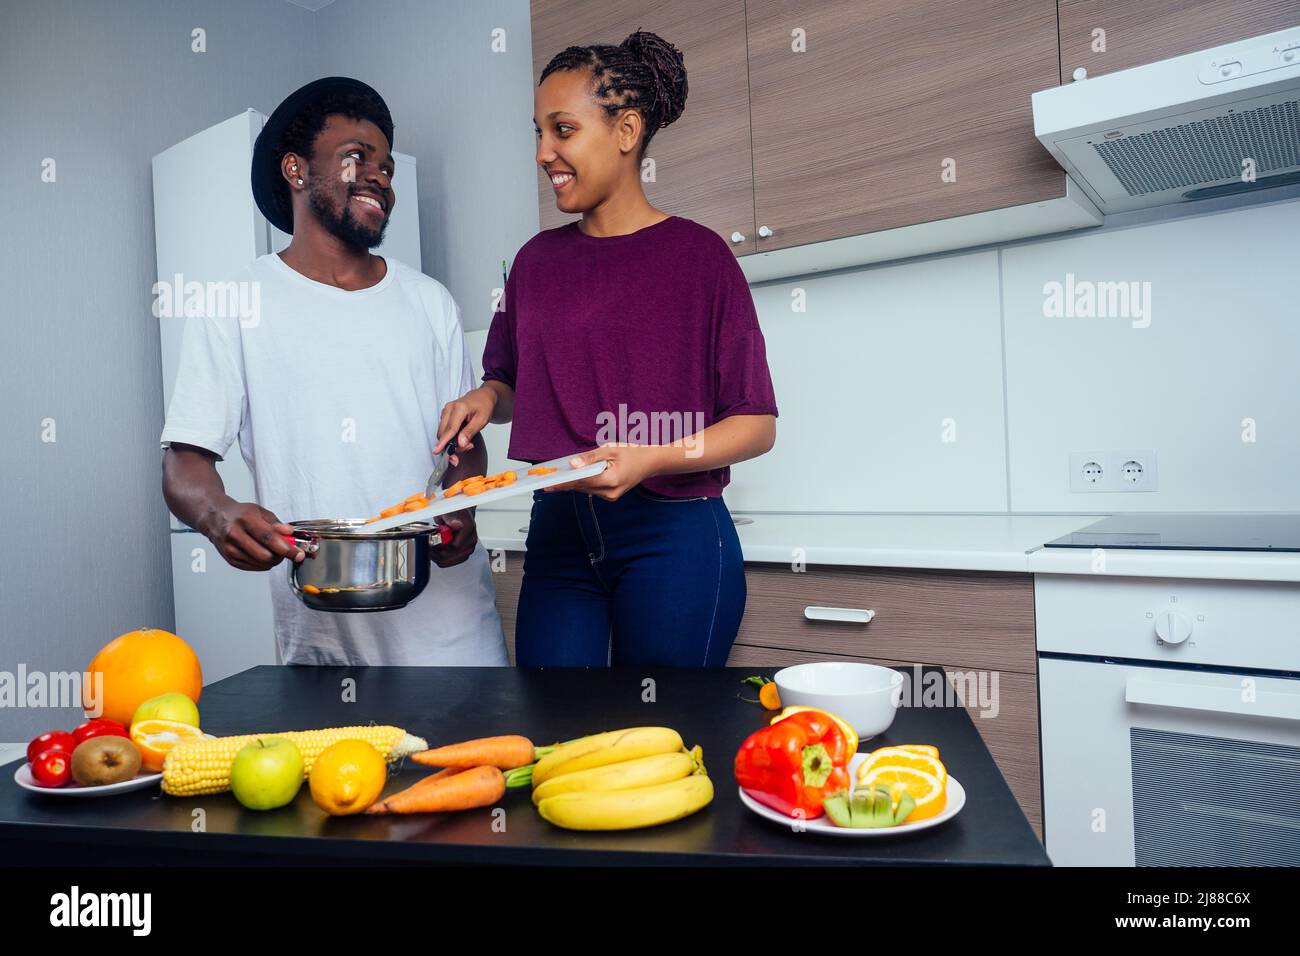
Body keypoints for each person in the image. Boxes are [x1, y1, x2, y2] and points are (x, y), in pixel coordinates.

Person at [436, 33, 778, 667]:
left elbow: (756, 426)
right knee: (558, 739)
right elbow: (509, 381)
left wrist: (650, 458)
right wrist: (485, 397)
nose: (543, 153)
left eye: (562, 130)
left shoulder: (701, 259)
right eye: (538, 132)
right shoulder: (534, 263)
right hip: (560, 529)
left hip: (675, 534)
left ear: (626, 131)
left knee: (664, 743)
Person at [161, 76, 507, 666]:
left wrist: (462, 509)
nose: (380, 177)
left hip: (454, 640)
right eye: (357, 158)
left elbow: (462, 447)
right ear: (296, 171)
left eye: (388, 167)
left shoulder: (431, 302)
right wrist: (219, 515)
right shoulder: (233, 301)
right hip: (320, 642)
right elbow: (186, 463)